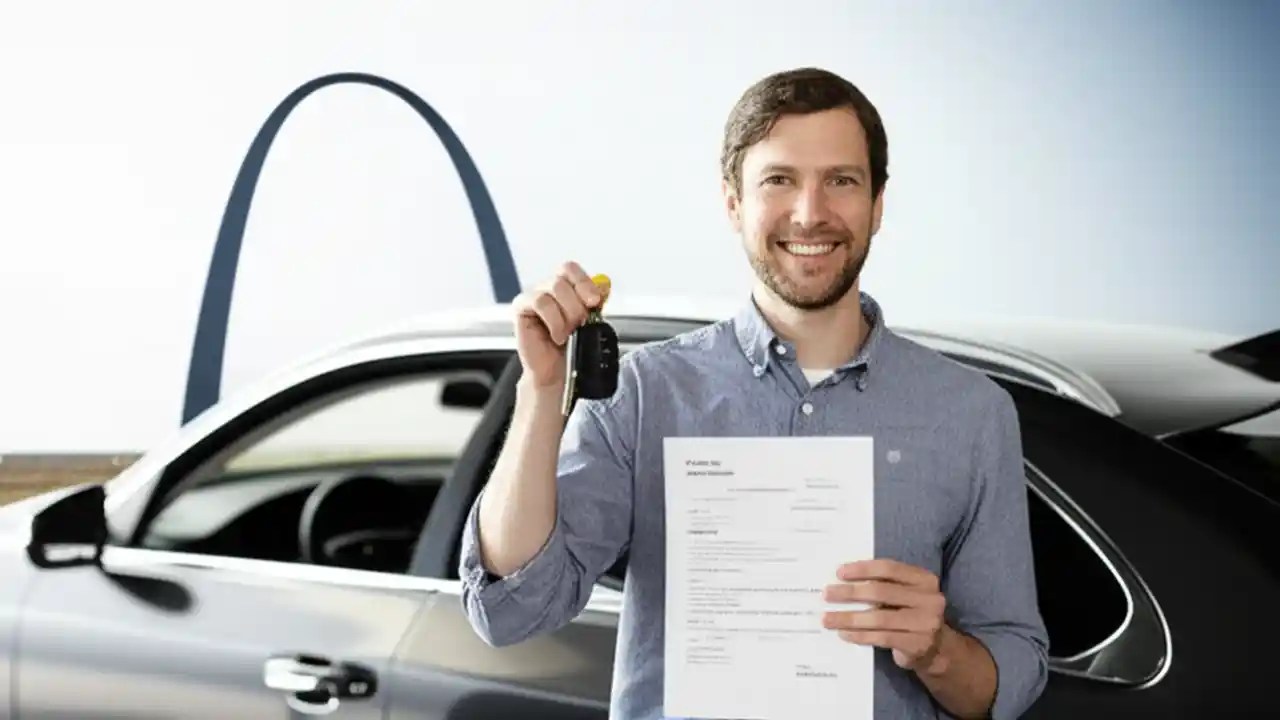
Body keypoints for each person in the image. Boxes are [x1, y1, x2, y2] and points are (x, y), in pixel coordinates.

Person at [458, 67, 1049, 719]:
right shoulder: (644, 394)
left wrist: (937, 650)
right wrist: (541, 393)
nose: (810, 213)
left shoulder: (972, 415)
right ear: (733, 202)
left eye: (841, 181)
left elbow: (1012, 671)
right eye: (779, 180)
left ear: (878, 204)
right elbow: (510, 608)